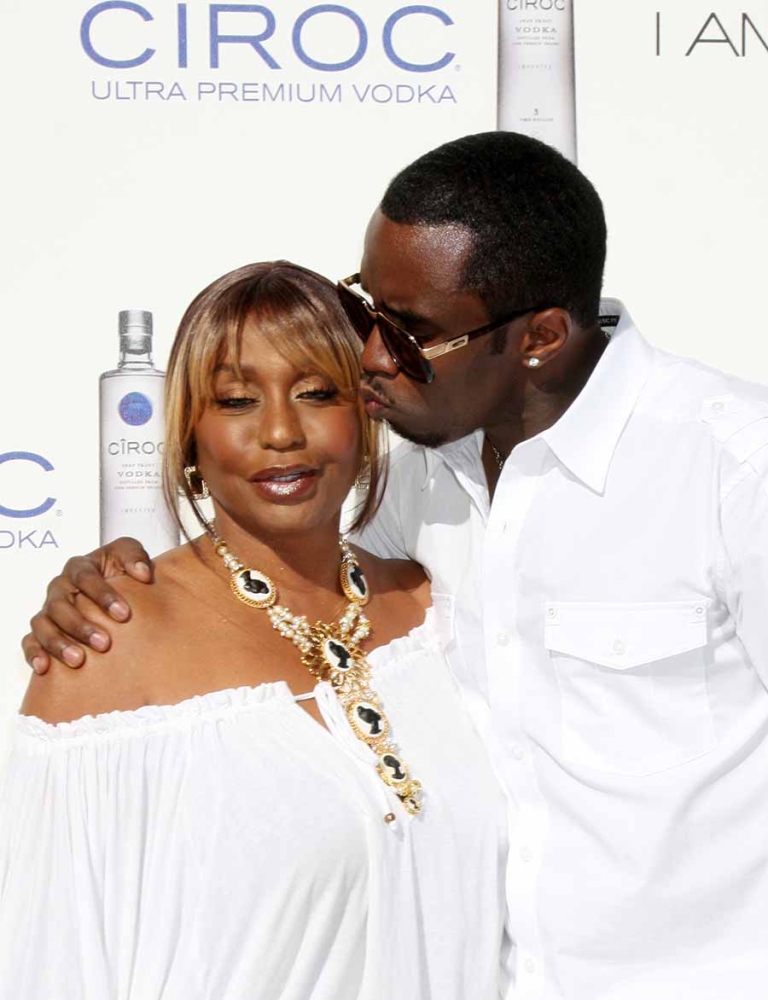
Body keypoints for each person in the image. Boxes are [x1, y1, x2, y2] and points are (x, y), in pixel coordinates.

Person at [21, 131, 768, 1000]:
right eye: (366, 312)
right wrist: (108, 579)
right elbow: (270, 564)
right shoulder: (415, 483)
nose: (373, 357)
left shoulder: (733, 469)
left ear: (541, 336)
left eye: (412, 335)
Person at [0, 261, 510, 999]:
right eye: (237, 400)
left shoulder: (436, 609)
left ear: (365, 413)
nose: (280, 432)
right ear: (187, 435)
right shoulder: (106, 644)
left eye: (317, 393)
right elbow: (52, 963)